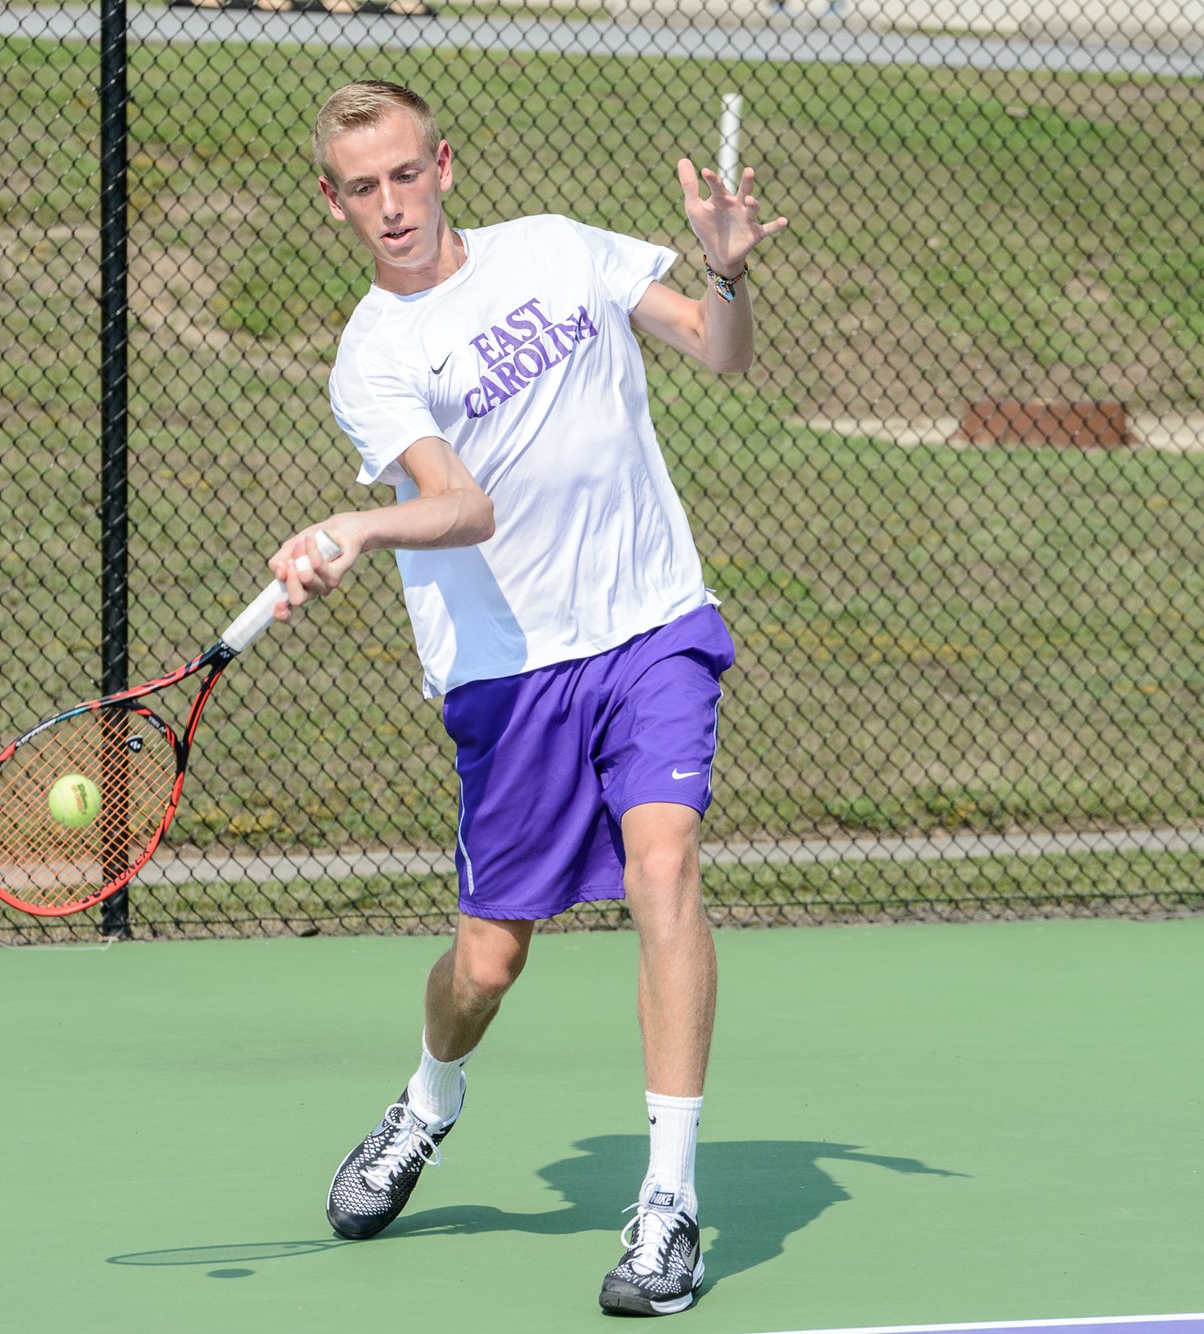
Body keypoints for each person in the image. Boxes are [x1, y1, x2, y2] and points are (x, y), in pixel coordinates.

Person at [267, 80, 788, 1315]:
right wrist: (364, 519)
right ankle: (428, 1100)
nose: (390, 205)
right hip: (508, 672)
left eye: (405, 173)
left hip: (648, 621)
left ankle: (665, 1205)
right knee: (487, 963)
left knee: (662, 867)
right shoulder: (374, 355)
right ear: (331, 202)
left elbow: (719, 353)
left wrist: (725, 275)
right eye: (361, 188)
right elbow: (461, 503)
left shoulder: (559, 248)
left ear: (442, 163)